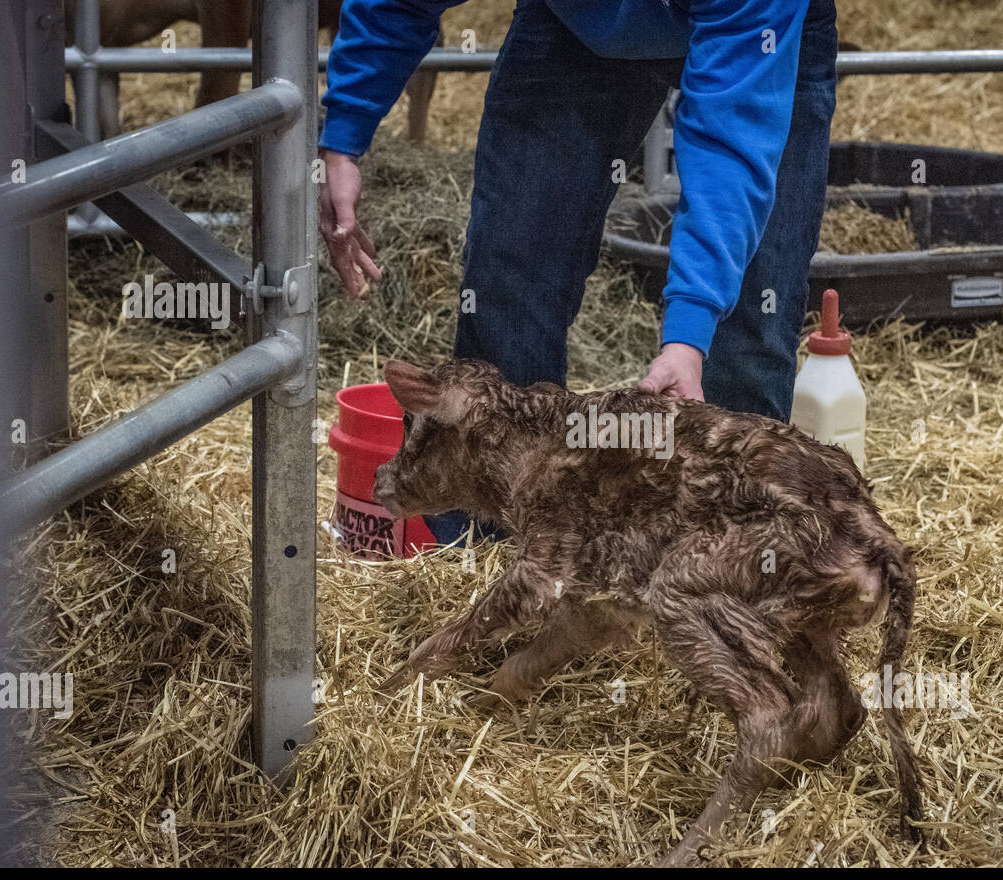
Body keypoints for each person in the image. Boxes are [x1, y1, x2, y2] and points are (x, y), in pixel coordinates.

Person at [320, 0, 838, 542]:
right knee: (509, 278)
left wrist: (690, 332)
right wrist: (344, 139)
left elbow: (732, 138)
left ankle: (733, 570)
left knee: (748, 326)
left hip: (759, 38)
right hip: (572, 23)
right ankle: (497, 562)